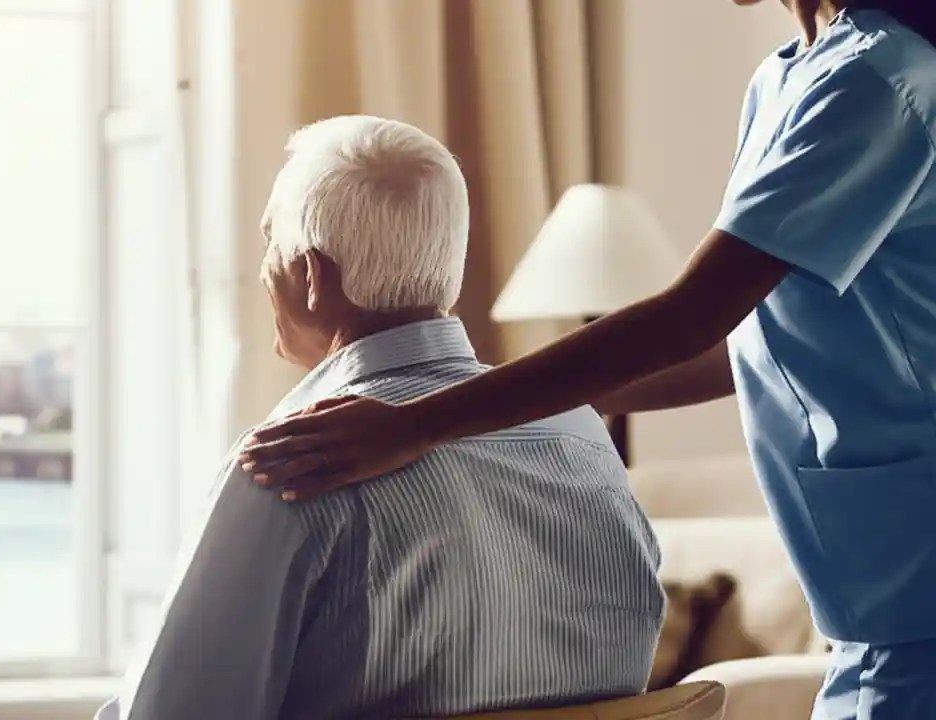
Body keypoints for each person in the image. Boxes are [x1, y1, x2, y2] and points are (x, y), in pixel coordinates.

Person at [240, 2, 936, 718]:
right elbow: (762, 344)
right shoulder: (783, 81)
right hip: (872, 608)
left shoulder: (878, 83)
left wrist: (419, 422)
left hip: (914, 595)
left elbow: (693, 315)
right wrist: (542, 414)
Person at [96, 116, 664, 720]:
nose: (263, 268)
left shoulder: (294, 462)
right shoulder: (581, 434)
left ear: (310, 276)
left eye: (270, 242)